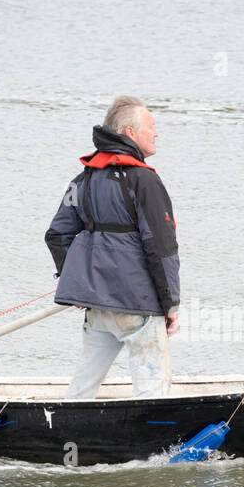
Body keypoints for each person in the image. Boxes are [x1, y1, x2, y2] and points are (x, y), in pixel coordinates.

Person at [45, 96, 181, 399]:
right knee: (152, 388)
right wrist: (171, 303)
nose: (156, 133)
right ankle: (154, 445)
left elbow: (56, 235)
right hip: (139, 308)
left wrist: (78, 285)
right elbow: (161, 248)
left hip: (97, 307)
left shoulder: (82, 180)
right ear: (130, 133)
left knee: (83, 386)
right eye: (151, 127)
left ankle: (68, 433)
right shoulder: (145, 181)